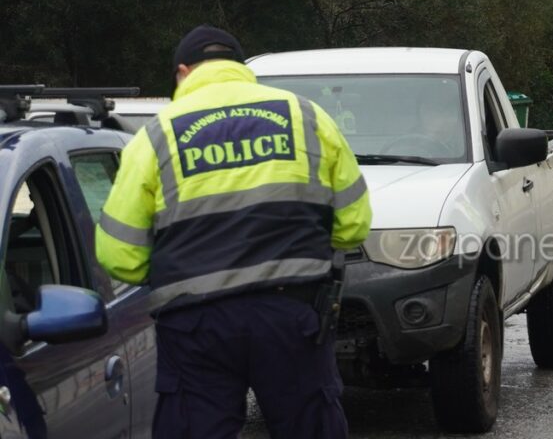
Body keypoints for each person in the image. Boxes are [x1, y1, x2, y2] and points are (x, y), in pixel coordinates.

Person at [95, 25, 372, 438]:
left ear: (183, 72)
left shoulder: (158, 135)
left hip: (195, 323)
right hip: (291, 313)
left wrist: (176, 269)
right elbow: (354, 225)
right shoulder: (307, 117)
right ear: (240, 67)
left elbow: (119, 255)